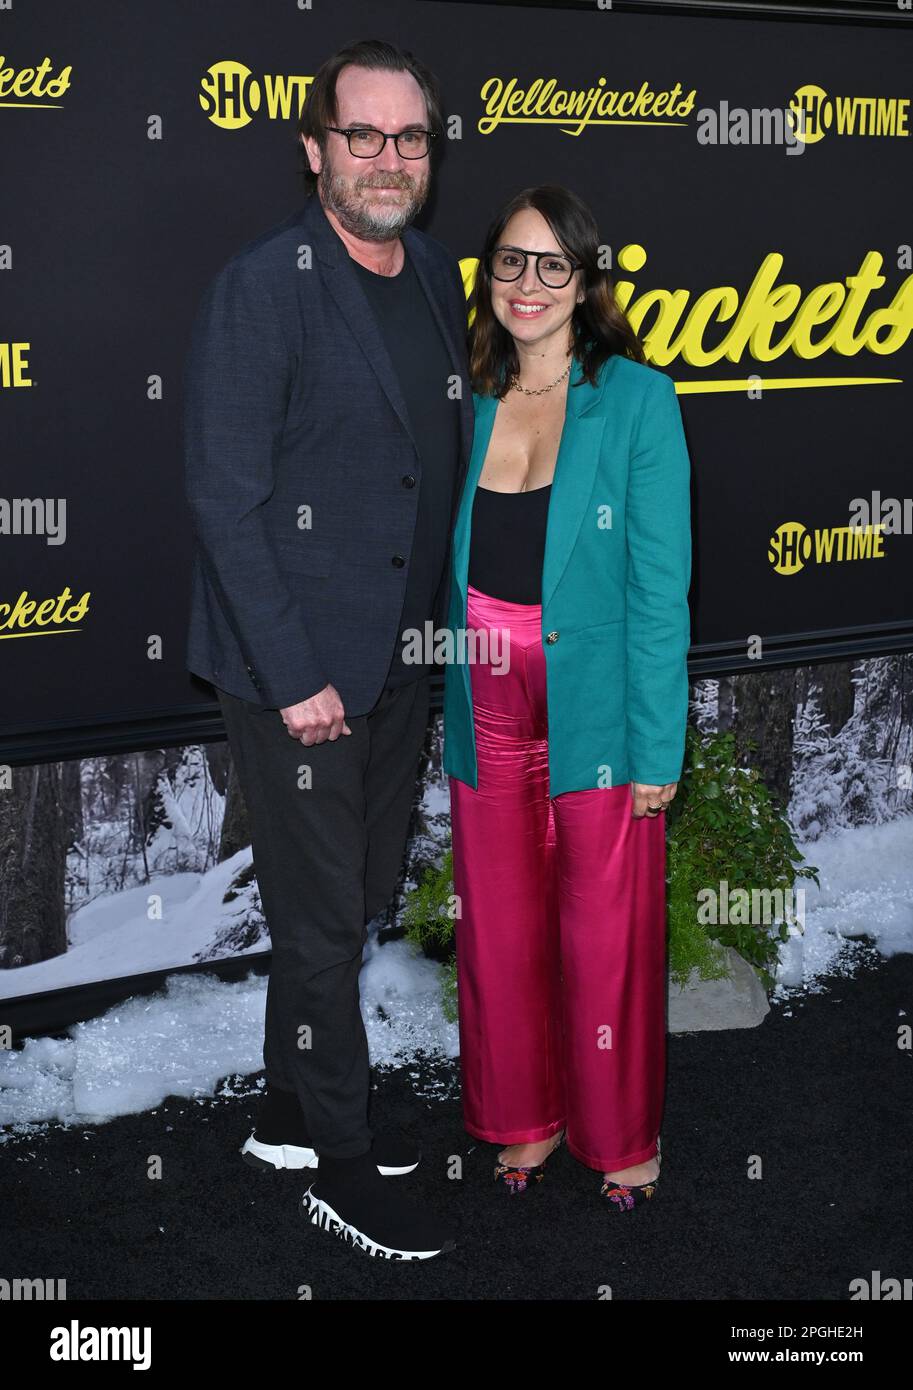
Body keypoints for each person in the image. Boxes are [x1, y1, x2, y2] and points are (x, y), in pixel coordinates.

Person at [183, 39, 472, 1260]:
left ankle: (288, 1112)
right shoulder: (267, 285)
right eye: (363, 135)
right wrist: (297, 676)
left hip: (402, 658)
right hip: (299, 671)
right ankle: (340, 1168)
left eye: (408, 137)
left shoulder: (429, 274)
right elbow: (222, 494)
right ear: (315, 151)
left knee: (347, 908)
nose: (387, 157)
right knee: (315, 927)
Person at [443, 185, 692, 1209]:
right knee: (498, 929)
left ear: (586, 281)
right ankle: (523, 1119)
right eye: (511, 261)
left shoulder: (635, 398)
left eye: (553, 265)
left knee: (606, 935)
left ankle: (622, 1137)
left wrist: (654, 749)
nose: (529, 284)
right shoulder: (462, 397)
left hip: (595, 705)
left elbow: (658, 589)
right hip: (481, 702)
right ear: (487, 276)